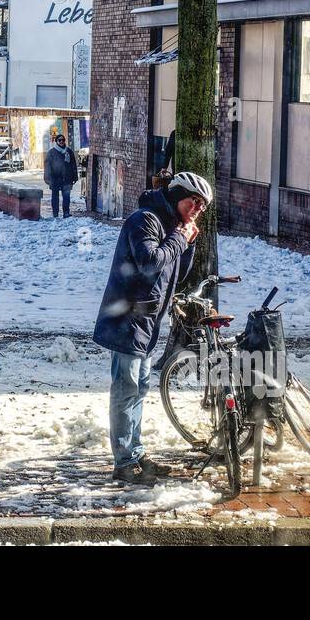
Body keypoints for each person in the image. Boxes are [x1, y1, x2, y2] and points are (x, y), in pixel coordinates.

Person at [92, 171, 212, 484]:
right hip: (128, 319)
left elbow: (176, 274)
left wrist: (188, 245)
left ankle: (136, 453)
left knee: (139, 388)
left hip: (147, 321)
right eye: (194, 200)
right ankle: (124, 462)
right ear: (177, 195)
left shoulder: (171, 226)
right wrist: (178, 240)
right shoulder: (145, 220)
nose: (198, 208)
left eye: (203, 205)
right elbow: (149, 263)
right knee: (126, 389)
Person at [44, 133, 80, 218]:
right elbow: (47, 166)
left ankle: (66, 213)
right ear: (56, 141)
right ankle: (55, 213)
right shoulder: (51, 152)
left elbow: (73, 165)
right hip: (55, 178)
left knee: (66, 196)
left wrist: (75, 176)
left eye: (63, 140)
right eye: (59, 140)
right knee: (55, 197)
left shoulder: (69, 152)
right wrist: (47, 178)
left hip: (67, 178)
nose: (61, 142)